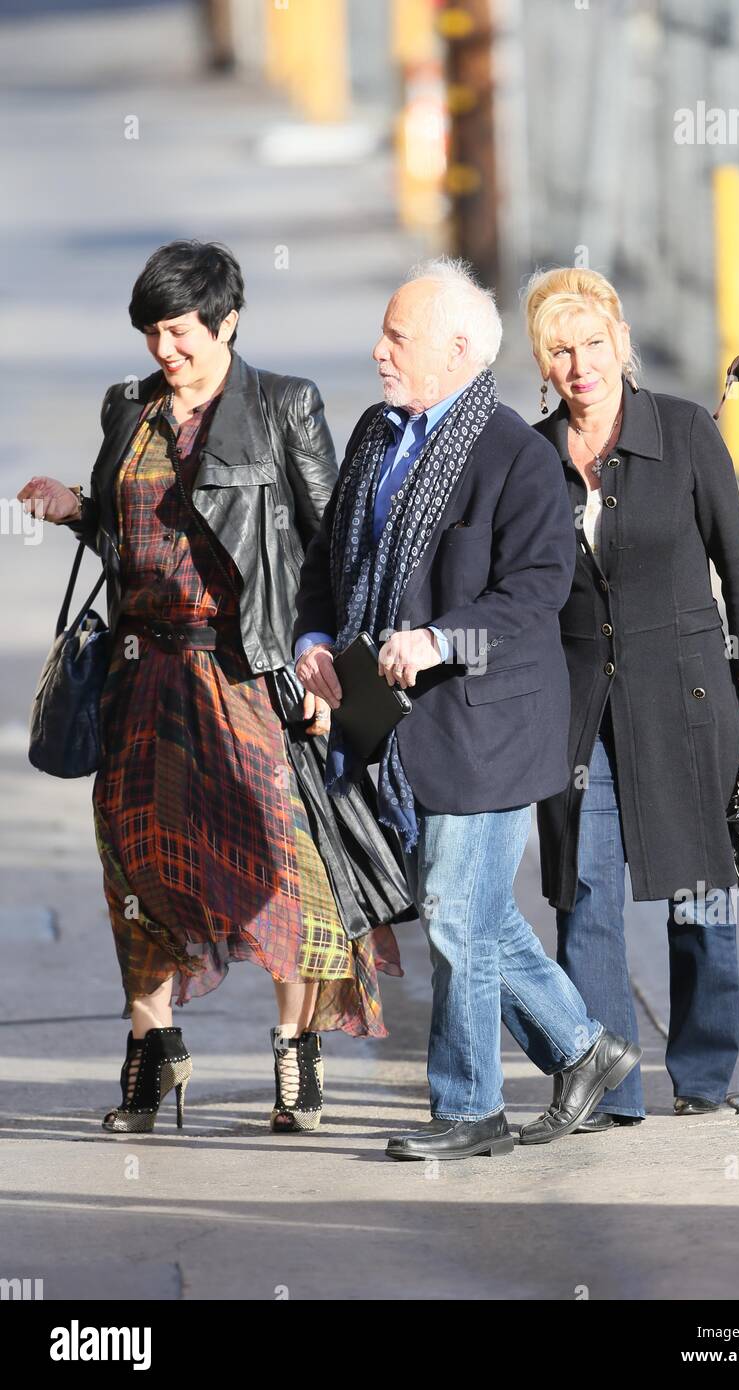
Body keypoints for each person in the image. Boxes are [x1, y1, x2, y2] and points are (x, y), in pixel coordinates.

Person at [18, 240, 409, 1136]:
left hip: (245, 677)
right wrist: (77, 509)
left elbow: (333, 546)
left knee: (283, 869)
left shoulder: (282, 406)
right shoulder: (128, 409)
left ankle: (294, 1054)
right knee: (138, 872)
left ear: (227, 321)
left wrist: (325, 664)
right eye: (154, 331)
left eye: (182, 329)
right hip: (140, 679)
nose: (166, 348)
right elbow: (133, 536)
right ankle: (153, 1053)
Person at [293, 257, 641, 1160]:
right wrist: (314, 643)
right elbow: (325, 559)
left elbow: (535, 590)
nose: (377, 351)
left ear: (456, 351)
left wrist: (440, 640)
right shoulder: (375, 433)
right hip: (393, 726)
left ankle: (470, 1108)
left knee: (454, 910)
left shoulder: (515, 456)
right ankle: (584, 1049)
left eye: (396, 338)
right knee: (470, 910)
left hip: (490, 722)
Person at [524, 266, 739, 1127]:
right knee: (585, 892)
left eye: (593, 343)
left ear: (621, 344)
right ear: (544, 364)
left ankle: (704, 1072)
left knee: (698, 886)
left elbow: (733, 558)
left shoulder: (682, 431)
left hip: (686, 690)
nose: (580, 364)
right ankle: (610, 1084)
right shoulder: (534, 457)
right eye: (561, 350)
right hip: (578, 711)